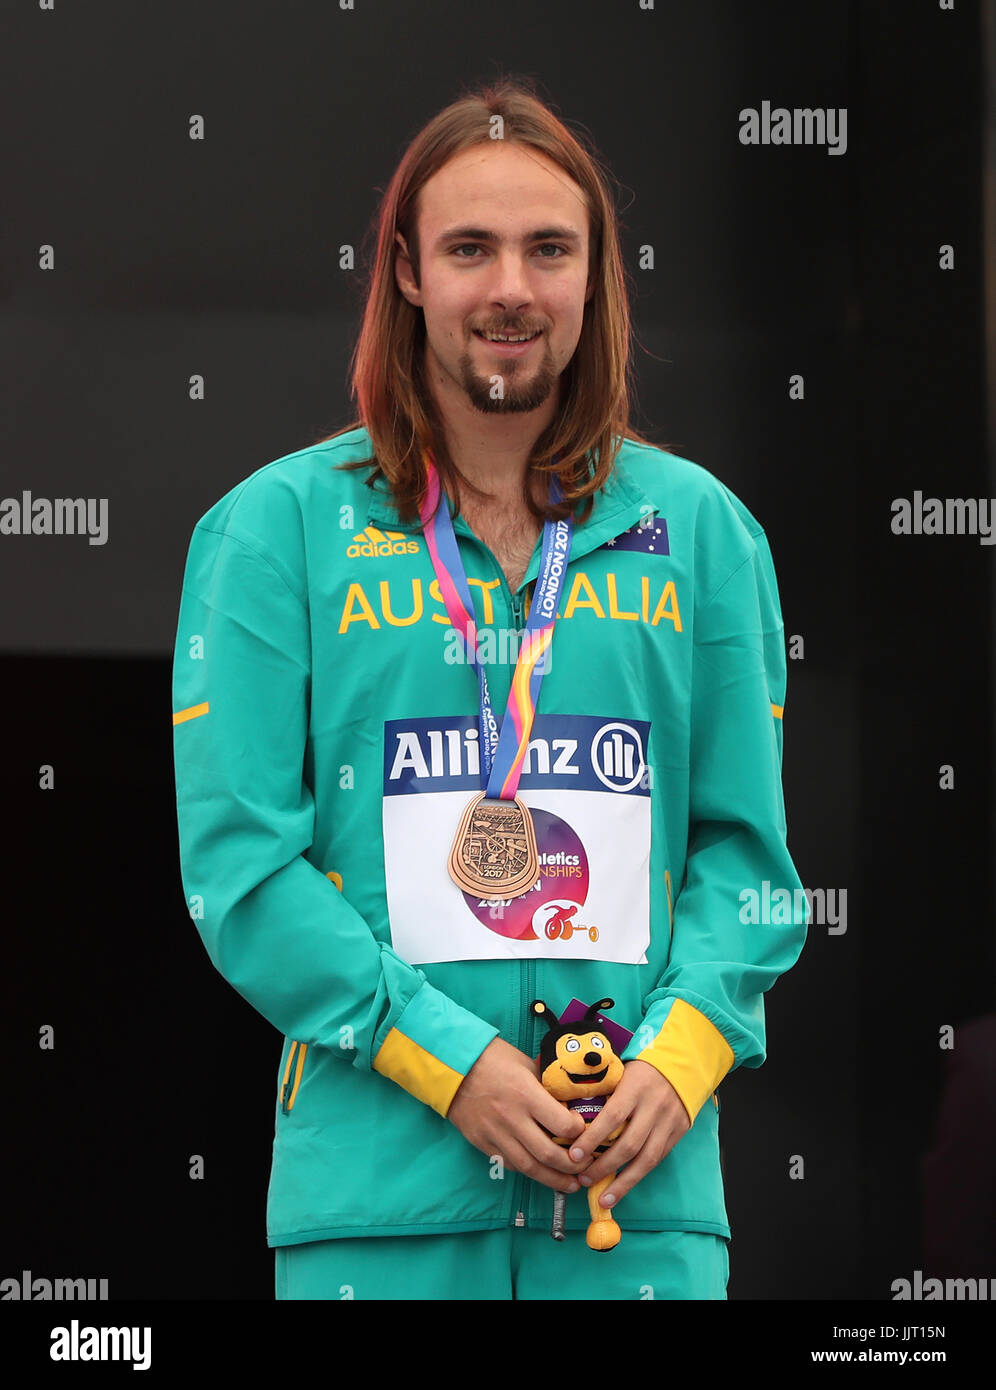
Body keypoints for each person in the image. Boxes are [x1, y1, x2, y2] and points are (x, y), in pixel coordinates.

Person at [170, 76, 809, 1301]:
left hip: (638, 1211)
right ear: (406, 272)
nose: (511, 287)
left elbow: (749, 862)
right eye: (471, 248)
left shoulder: (707, 534)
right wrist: (447, 1061)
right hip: (378, 1210)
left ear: (594, 276)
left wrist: (677, 1063)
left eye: (548, 249)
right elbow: (240, 869)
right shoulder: (274, 534)